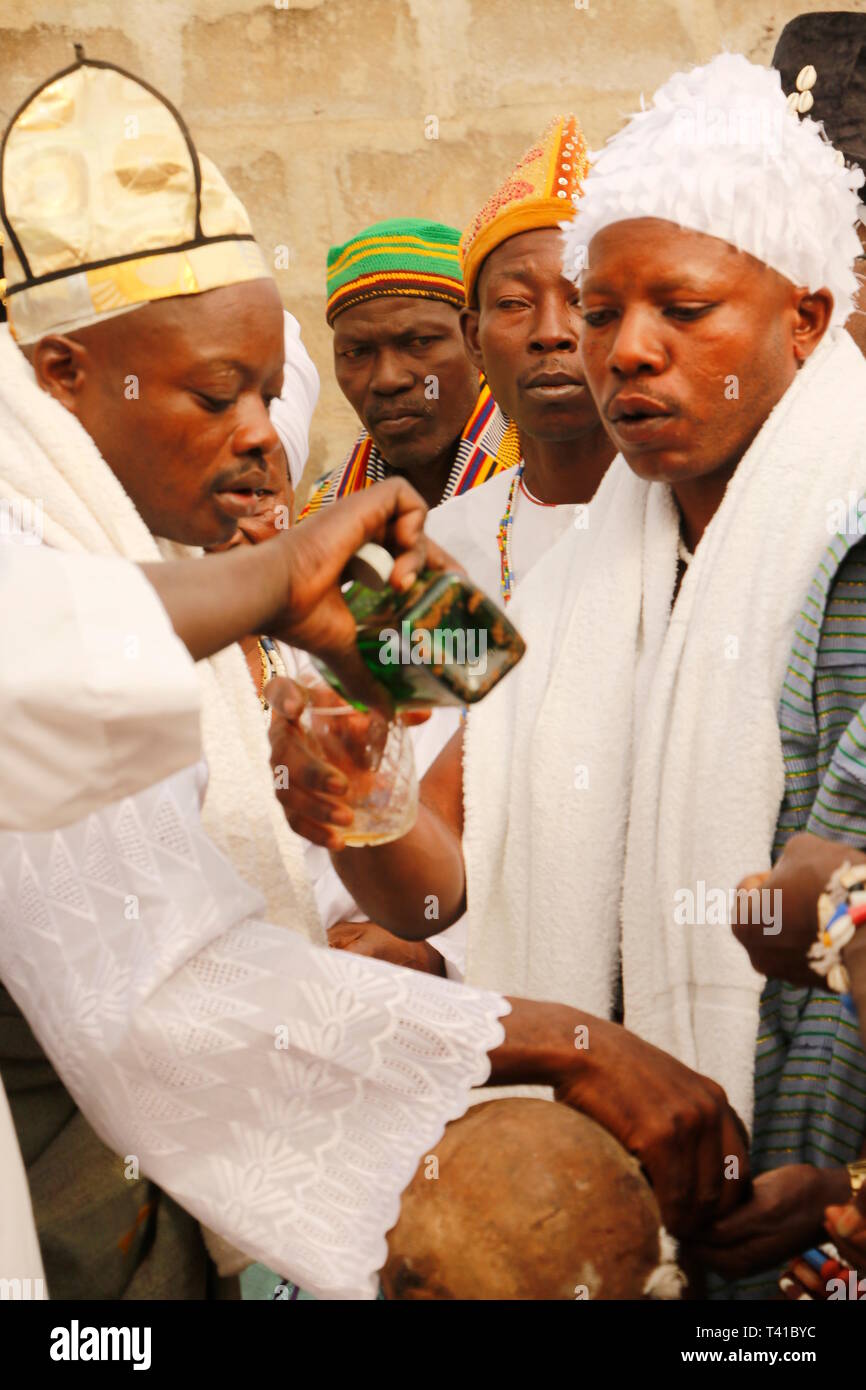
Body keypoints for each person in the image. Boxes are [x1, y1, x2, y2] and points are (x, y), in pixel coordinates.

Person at [274, 52, 866, 1292]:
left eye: (678, 312)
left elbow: (827, 916)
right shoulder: (452, 552)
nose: (592, 345)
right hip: (590, 1159)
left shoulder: (826, 547)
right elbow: (433, 895)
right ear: (480, 331)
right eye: (560, 308)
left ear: (803, 318)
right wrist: (358, 789)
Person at [425, 115, 615, 603]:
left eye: (584, 301)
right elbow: (421, 682)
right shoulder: (439, 551)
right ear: (473, 338)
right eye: (514, 303)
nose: (551, 333)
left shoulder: (694, 522)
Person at [299, 217, 520, 516]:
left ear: (475, 340)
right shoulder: (321, 520)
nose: (388, 380)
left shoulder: (551, 485)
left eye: (419, 343)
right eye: (356, 352)